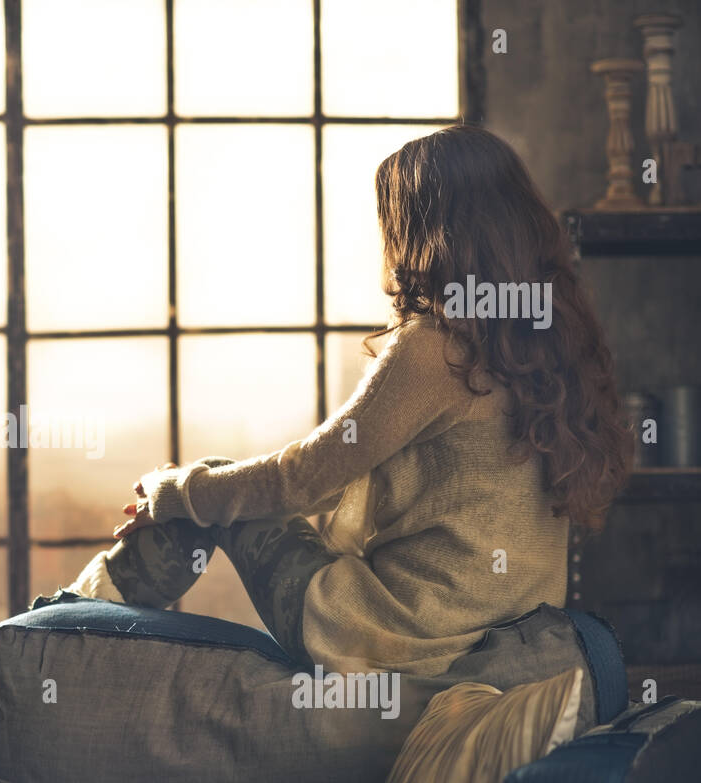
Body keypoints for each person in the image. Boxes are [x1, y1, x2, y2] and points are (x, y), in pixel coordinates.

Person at [58, 124, 632, 677]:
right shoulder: (555, 342)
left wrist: (170, 491)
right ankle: (67, 619)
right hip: (498, 628)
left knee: (205, 486)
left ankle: (57, 631)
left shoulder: (435, 350)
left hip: (402, 636)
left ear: (430, 234)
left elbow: (303, 481)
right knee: (203, 494)